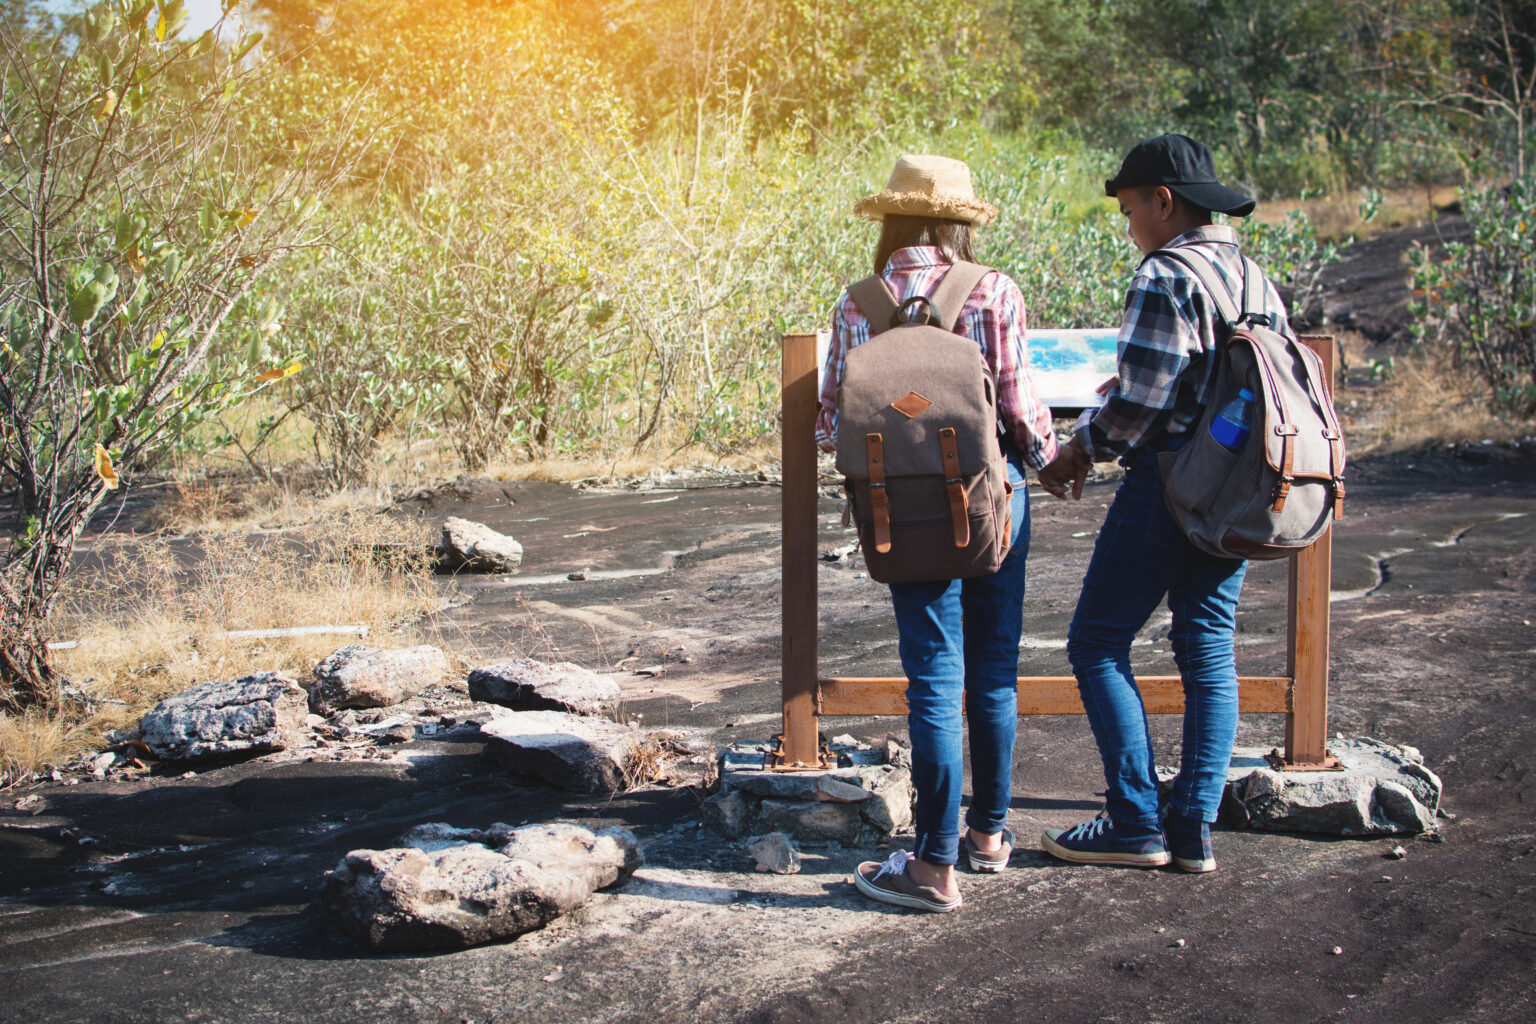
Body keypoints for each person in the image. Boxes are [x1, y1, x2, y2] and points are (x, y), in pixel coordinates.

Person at [1034, 133, 1295, 874]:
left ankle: (1132, 822)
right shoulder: (1253, 276)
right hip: (1237, 491)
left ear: (1163, 202)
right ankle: (1193, 830)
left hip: (1169, 487)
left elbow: (1143, 403)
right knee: (1208, 645)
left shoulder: (1166, 274)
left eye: (1128, 210)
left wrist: (1079, 448)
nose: (1128, 227)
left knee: (1095, 642)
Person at [817, 154, 1058, 912]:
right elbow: (1019, 410)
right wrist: (1053, 464)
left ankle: (932, 865)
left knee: (933, 678)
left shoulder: (857, 304)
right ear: (960, 221)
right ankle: (986, 837)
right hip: (995, 504)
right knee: (993, 672)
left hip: (901, 514)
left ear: (890, 220)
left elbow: (831, 425)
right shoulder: (993, 290)